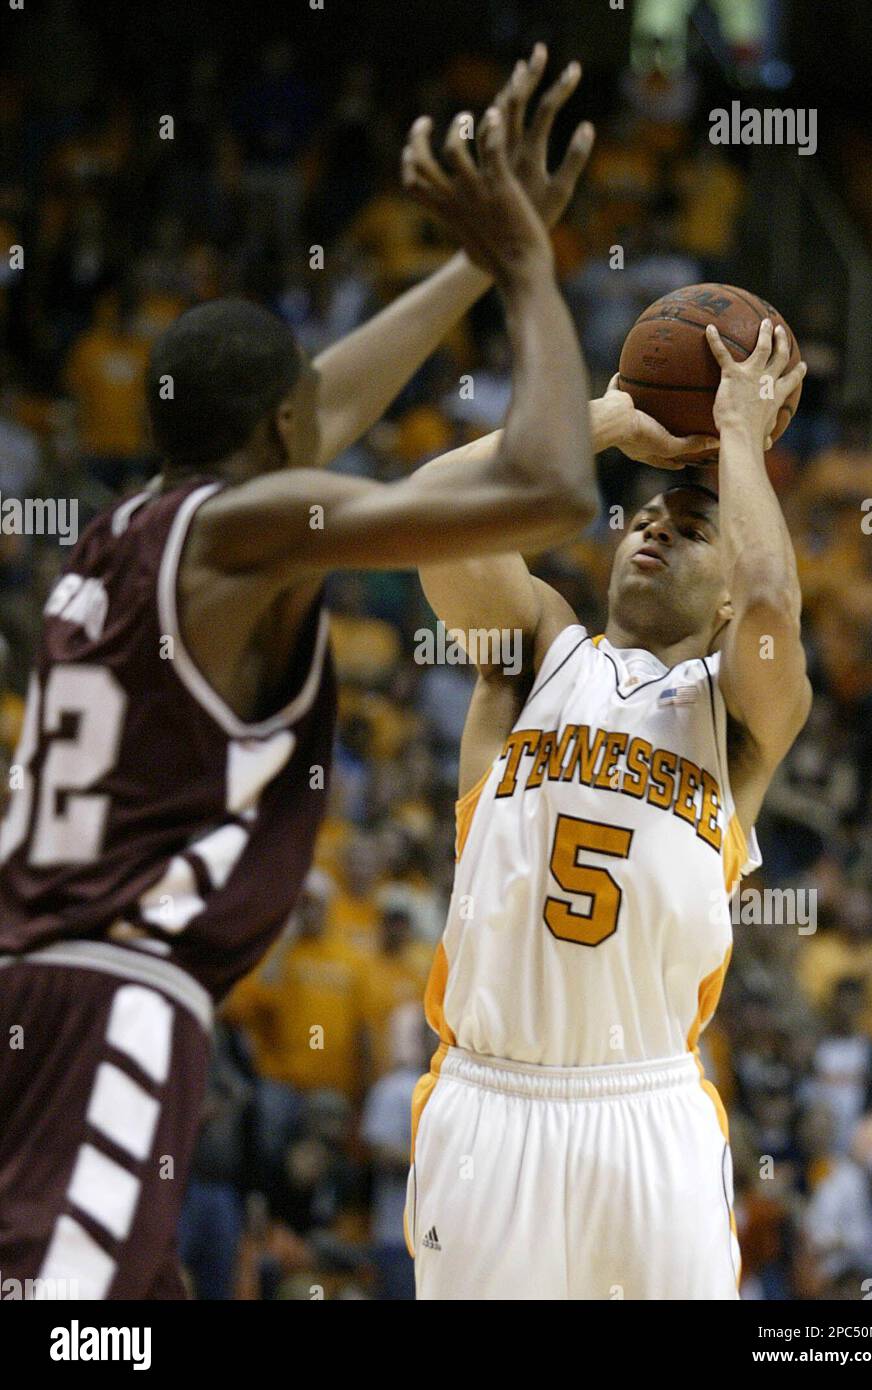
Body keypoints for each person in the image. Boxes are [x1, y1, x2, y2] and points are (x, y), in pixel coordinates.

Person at [0, 50, 630, 1299]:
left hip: (39, 982)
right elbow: (556, 486)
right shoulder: (243, 532)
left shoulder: (128, 531)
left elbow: (314, 408)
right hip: (111, 1004)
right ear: (282, 436)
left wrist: (468, 261)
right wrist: (519, 270)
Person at [407, 316, 809, 1299]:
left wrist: (743, 440)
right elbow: (428, 509)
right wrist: (606, 418)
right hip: (489, 1106)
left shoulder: (738, 718)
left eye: (692, 524)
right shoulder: (534, 654)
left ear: (720, 601)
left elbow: (769, 605)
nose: (657, 525)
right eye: (640, 517)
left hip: (647, 1112)